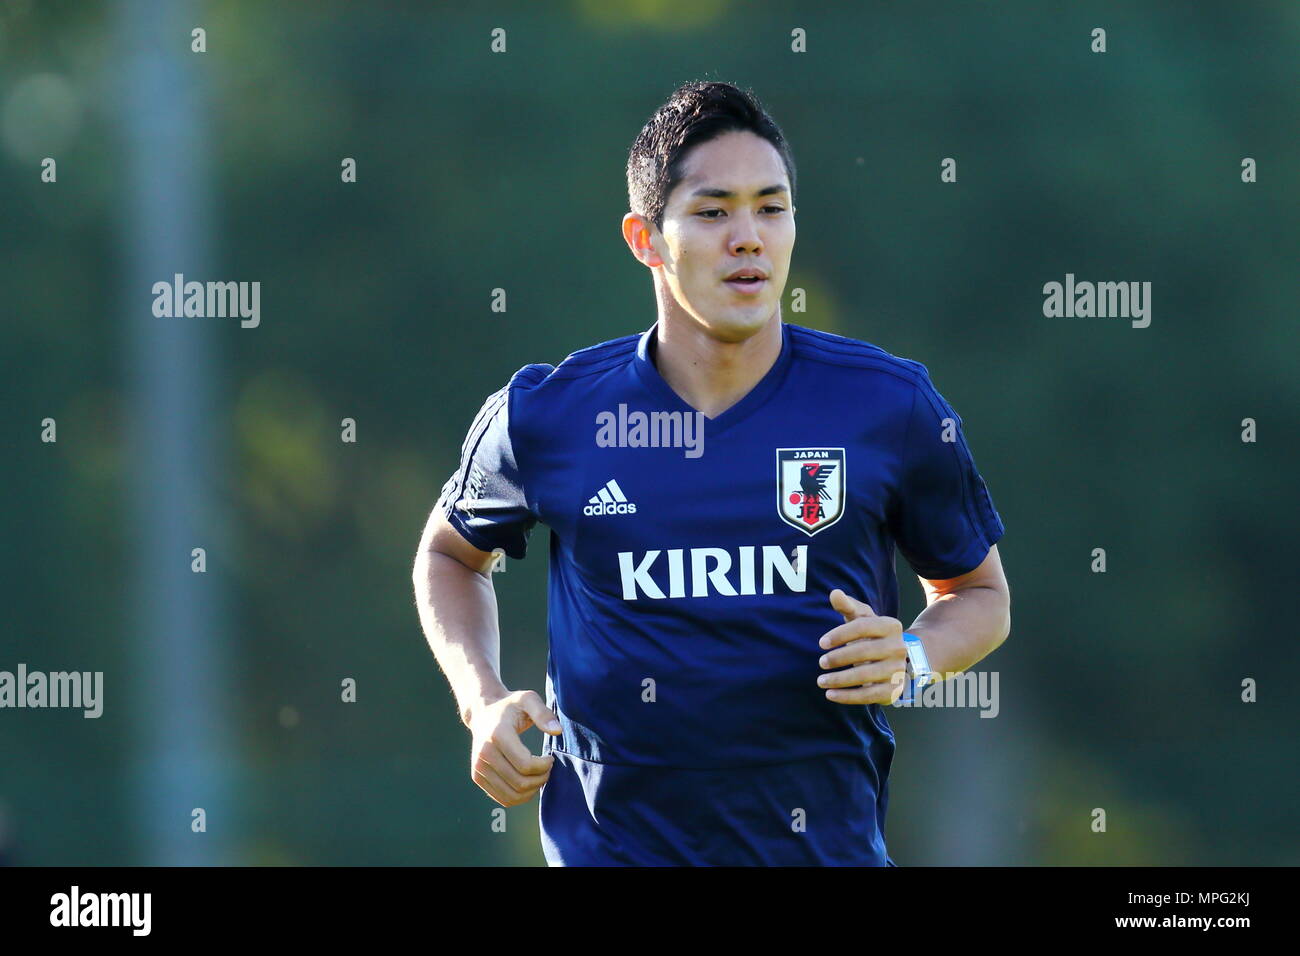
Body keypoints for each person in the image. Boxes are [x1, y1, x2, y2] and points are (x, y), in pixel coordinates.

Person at [412, 80, 1011, 865]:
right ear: (645, 239)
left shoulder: (886, 405)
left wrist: (915, 656)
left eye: (772, 206)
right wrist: (481, 700)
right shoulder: (548, 414)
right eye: (713, 210)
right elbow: (450, 554)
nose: (749, 237)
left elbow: (979, 595)